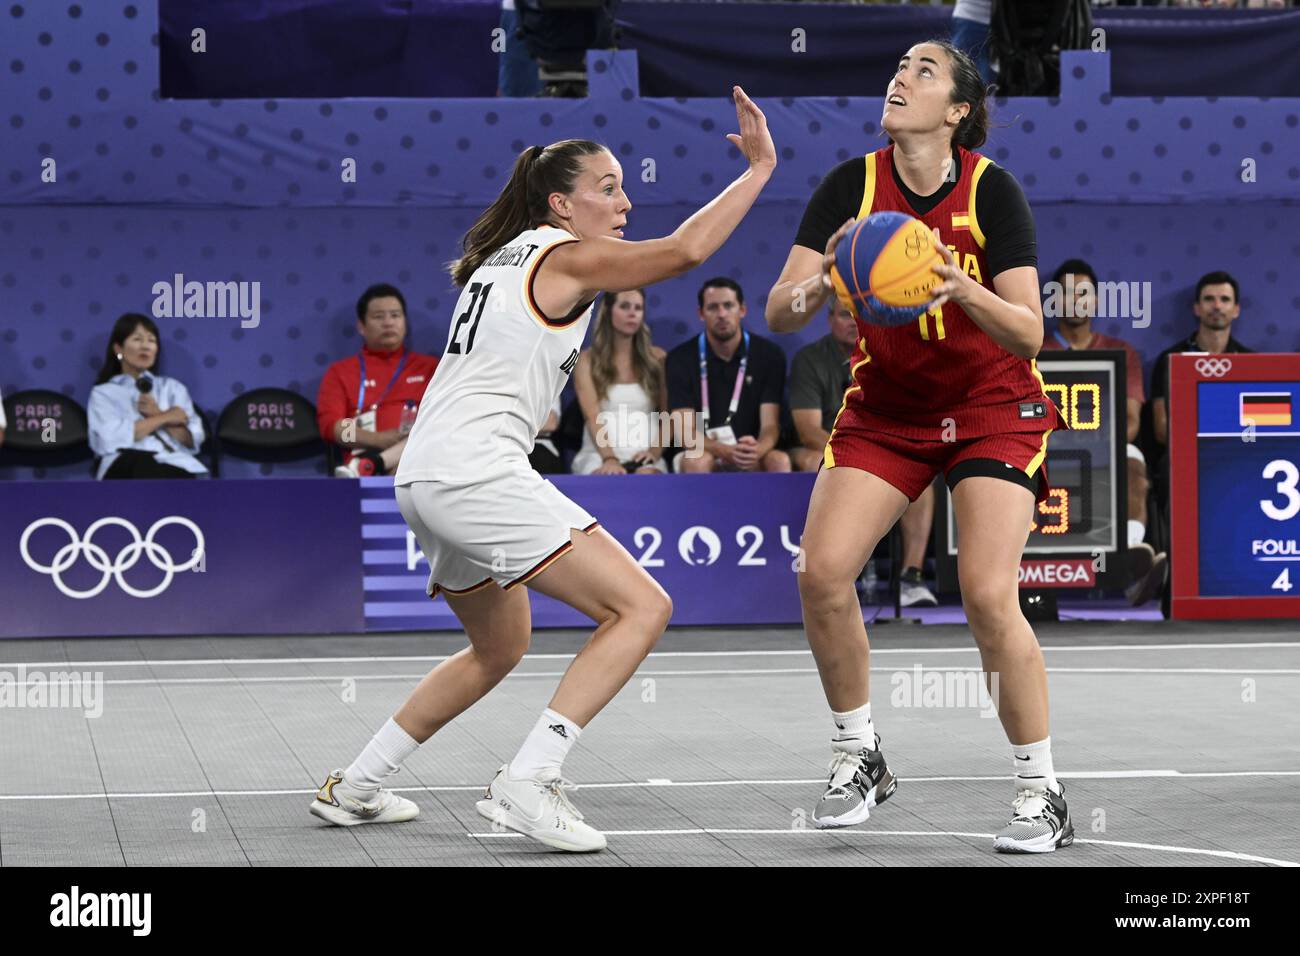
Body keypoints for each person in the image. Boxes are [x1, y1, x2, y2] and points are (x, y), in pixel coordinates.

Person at [310, 90, 777, 852]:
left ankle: (356, 784)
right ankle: (528, 782)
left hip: (424, 475)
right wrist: (759, 169)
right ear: (561, 205)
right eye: (607, 189)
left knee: (500, 647)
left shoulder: (504, 258)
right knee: (641, 608)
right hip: (475, 474)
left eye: (625, 185)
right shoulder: (565, 254)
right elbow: (687, 251)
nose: (626, 200)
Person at [766, 40, 1072, 853]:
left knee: (983, 591)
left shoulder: (991, 192)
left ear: (959, 110)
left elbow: (1031, 333)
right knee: (824, 574)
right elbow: (780, 311)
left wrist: (957, 283)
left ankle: (1042, 790)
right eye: (900, 66)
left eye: (924, 71)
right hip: (888, 409)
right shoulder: (850, 186)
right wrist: (821, 279)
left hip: (990, 404)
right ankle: (857, 753)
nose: (903, 77)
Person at [789, 299, 938, 607]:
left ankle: (912, 577)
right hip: (829, 444)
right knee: (814, 460)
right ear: (829, 319)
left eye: (859, 316)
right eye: (845, 315)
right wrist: (853, 453)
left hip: (882, 443)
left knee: (921, 480)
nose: (852, 322)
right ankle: (834, 569)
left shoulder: (891, 351)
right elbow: (807, 430)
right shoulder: (811, 359)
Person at [1040, 258, 1163, 605]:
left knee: (1135, 463)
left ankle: (1129, 555)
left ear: (1095, 301)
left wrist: (1095, 443)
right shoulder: (1033, 348)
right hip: (1045, 451)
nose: (1074, 300)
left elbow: (1132, 422)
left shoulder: (1121, 351)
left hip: (1104, 451)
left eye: (1083, 293)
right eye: (1064, 293)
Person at [665, 277, 791, 473]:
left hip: (750, 450)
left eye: (728, 306)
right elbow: (685, 433)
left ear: (742, 310)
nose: (722, 314)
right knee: (697, 460)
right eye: (713, 307)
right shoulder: (680, 359)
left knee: (779, 460)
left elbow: (770, 425)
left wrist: (757, 450)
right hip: (703, 449)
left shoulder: (769, 356)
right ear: (701, 313)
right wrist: (724, 450)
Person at [317, 283, 440, 478]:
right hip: (364, 455)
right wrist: (377, 439)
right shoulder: (341, 372)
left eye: (395, 315)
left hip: (421, 458)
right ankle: (371, 464)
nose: (388, 322)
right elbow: (335, 427)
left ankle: (372, 465)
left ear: (405, 322)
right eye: (378, 316)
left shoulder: (431, 368)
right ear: (361, 326)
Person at [87, 313, 208, 480]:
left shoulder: (173, 388)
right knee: (141, 461)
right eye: (137, 339)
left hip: (173, 462)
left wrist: (156, 413)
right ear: (118, 349)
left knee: (181, 475)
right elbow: (110, 440)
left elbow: (192, 440)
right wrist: (165, 417)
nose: (146, 346)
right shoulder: (104, 393)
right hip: (123, 465)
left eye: (151, 341)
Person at [572, 289, 668, 474]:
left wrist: (653, 454)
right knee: (606, 476)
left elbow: (669, 416)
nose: (632, 313)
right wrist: (610, 459)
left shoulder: (658, 358)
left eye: (638, 308)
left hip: (645, 454)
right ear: (608, 311)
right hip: (599, 454)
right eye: (624, 307)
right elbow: (592, 416)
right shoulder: (586, 360)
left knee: (648, 478)